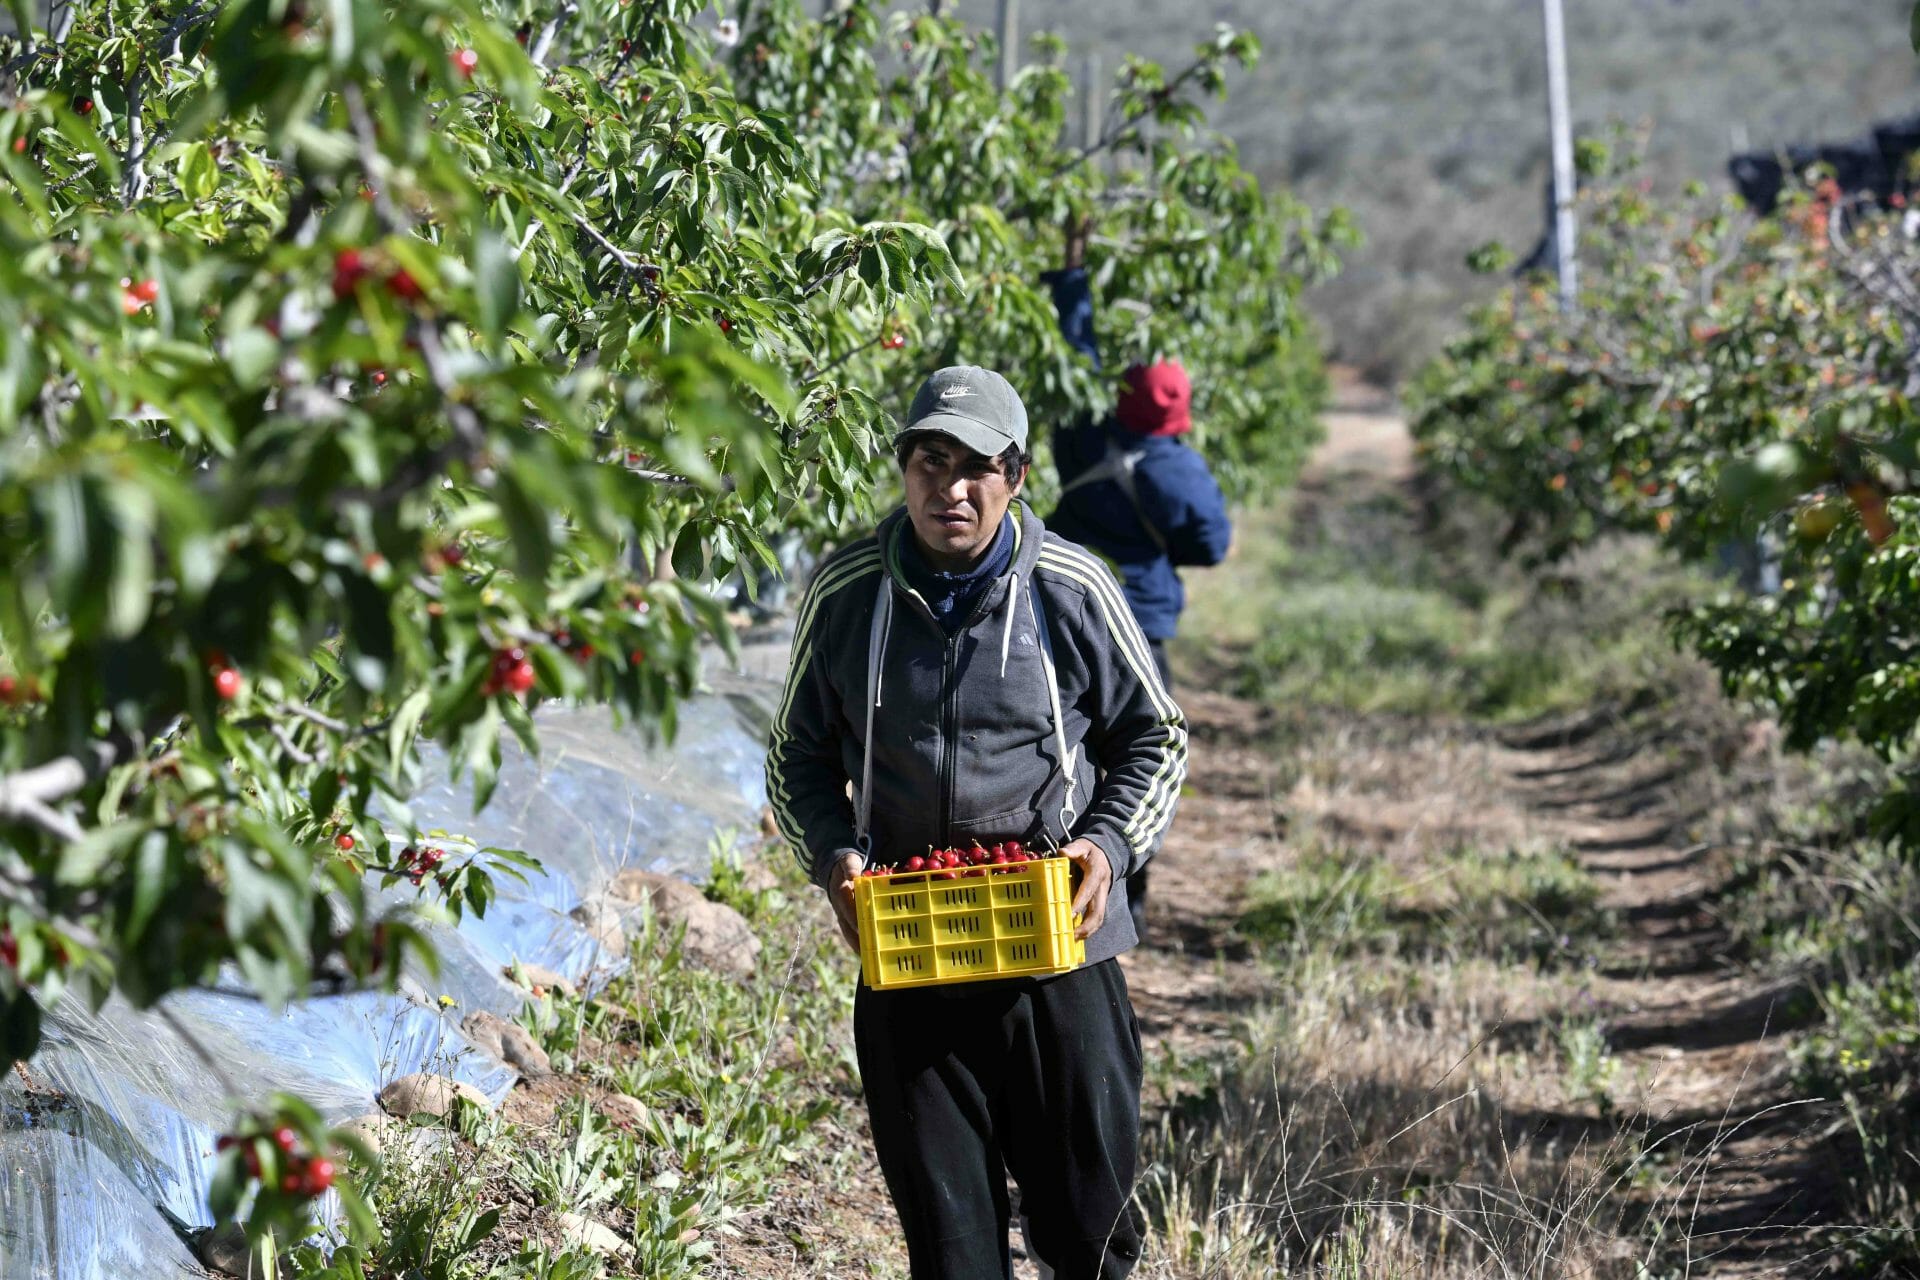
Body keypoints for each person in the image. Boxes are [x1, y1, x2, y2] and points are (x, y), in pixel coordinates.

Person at [765, 364, 1188, 1280]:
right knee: (951, 1251)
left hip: (1057, 954)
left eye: (975, 467)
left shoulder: (1073, 587)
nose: (949, 488)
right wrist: (833, 855)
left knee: (1090, 1237)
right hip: (913, 953)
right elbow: (795, 753)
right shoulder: (847, 594)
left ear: (1016, 477)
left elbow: (1156, 736)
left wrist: (1106, 847)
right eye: (930, 461)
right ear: (903, 469)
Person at [1040, 225, 1231, 941]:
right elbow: (1211, 545)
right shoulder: (1181, 471)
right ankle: (1130, 889)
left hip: (1057, 611)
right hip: (1140, 624)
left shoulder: (1084, 431)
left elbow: (1075, 355)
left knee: (1065, 744)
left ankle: (1059, 876)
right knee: (1139, 752)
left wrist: (1073, 279)